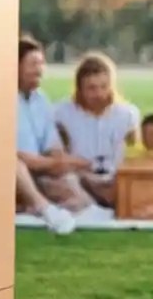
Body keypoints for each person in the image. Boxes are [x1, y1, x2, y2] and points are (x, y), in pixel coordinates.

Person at [15, 35, 111, 234]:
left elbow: (52, 147)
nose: (39, 69)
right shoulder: (1, 99)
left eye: (41, 63)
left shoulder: (41, 100)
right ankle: (45, 208)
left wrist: (63, 163)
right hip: (15, 173)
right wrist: (56, 164)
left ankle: (85, 208)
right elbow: (18, 156)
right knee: (16, 165)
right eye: (33, 64)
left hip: (39, 171)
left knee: (73, 177)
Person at [53, 52, 140, 206]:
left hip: (116, 178)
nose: (99, 94)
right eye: (91, 88)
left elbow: (135, 155)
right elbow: (56, 155)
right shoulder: (61, 113)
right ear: (80, 88)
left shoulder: (128, 114)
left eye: (104, 87)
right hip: (80, 178)